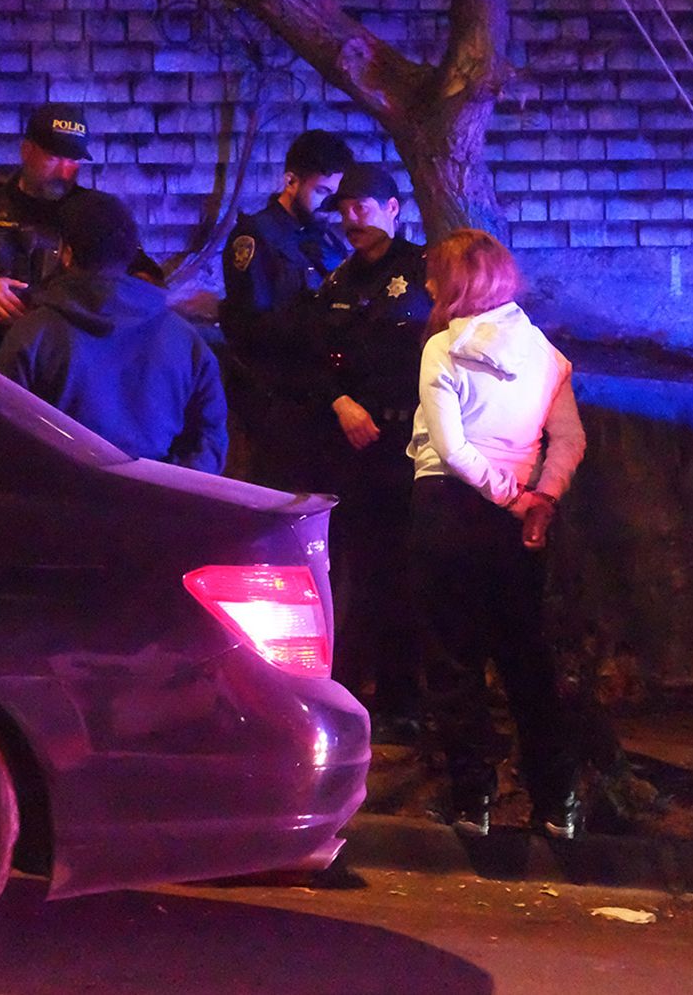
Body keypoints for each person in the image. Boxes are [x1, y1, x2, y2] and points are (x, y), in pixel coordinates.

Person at [406, 229, 587, 838]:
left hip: (449, 508)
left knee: (453, 656)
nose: (428, 285)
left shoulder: (443, 349)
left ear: (456, 283)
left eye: (435, 275)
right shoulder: (545, 354)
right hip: (519, 518)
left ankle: (472, 798)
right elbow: (570, 439)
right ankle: (556, 799)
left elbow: (452, 448)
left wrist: (512, 500)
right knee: (526, 656)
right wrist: (541, 498)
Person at [312, 163, 433, 741]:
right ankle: (351, 692)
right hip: (353, 445)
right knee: (352, 571)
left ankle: (404, 701)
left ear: (394, 209)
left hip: (410, 445)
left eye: (364, 206)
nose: (351, 218)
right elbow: (315, 356)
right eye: (344, 208)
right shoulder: (337, 283)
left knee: (405, 574)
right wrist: (338, 400)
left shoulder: (425, 273)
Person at [0, 190, 228, 474]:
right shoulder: (185, 339)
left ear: (67, 255)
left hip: (63, 509)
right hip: (159, 508)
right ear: (129, 253)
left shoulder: (32, 334)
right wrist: (164, 490)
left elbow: (4, 442)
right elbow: (209, 442)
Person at [220, 130, 353, 488]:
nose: (329, 207)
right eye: (322, 193)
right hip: (276, 399)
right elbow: (253, 324)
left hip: (323, 396)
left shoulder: (325, 239)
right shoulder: (255, 236)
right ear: (291, 180)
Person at [0, 104, 163, 328]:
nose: (65, 172)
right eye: (54, 157)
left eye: (74, 160)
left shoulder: (97, 212)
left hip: (68, 349)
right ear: (26, 151)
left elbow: (147, 281)